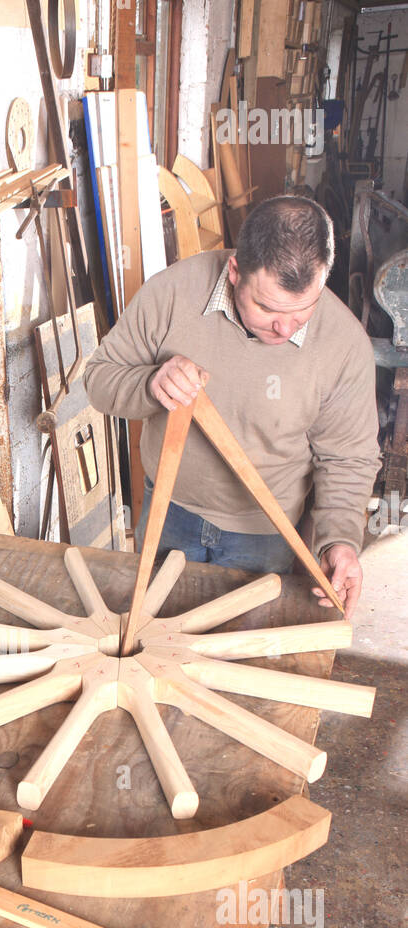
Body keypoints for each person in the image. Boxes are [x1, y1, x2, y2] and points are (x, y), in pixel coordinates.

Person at [83, 196, 380, 618]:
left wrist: (340, 541)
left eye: (303, 312)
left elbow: (348, 456)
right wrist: (150, 383)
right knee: (153, 640)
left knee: (243, 657)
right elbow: (99, 381)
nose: (284, 327)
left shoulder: (344, 345)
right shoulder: (172, 293)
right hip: (170, 512)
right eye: (267, 308)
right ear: (235, 271)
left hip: (268, 532)